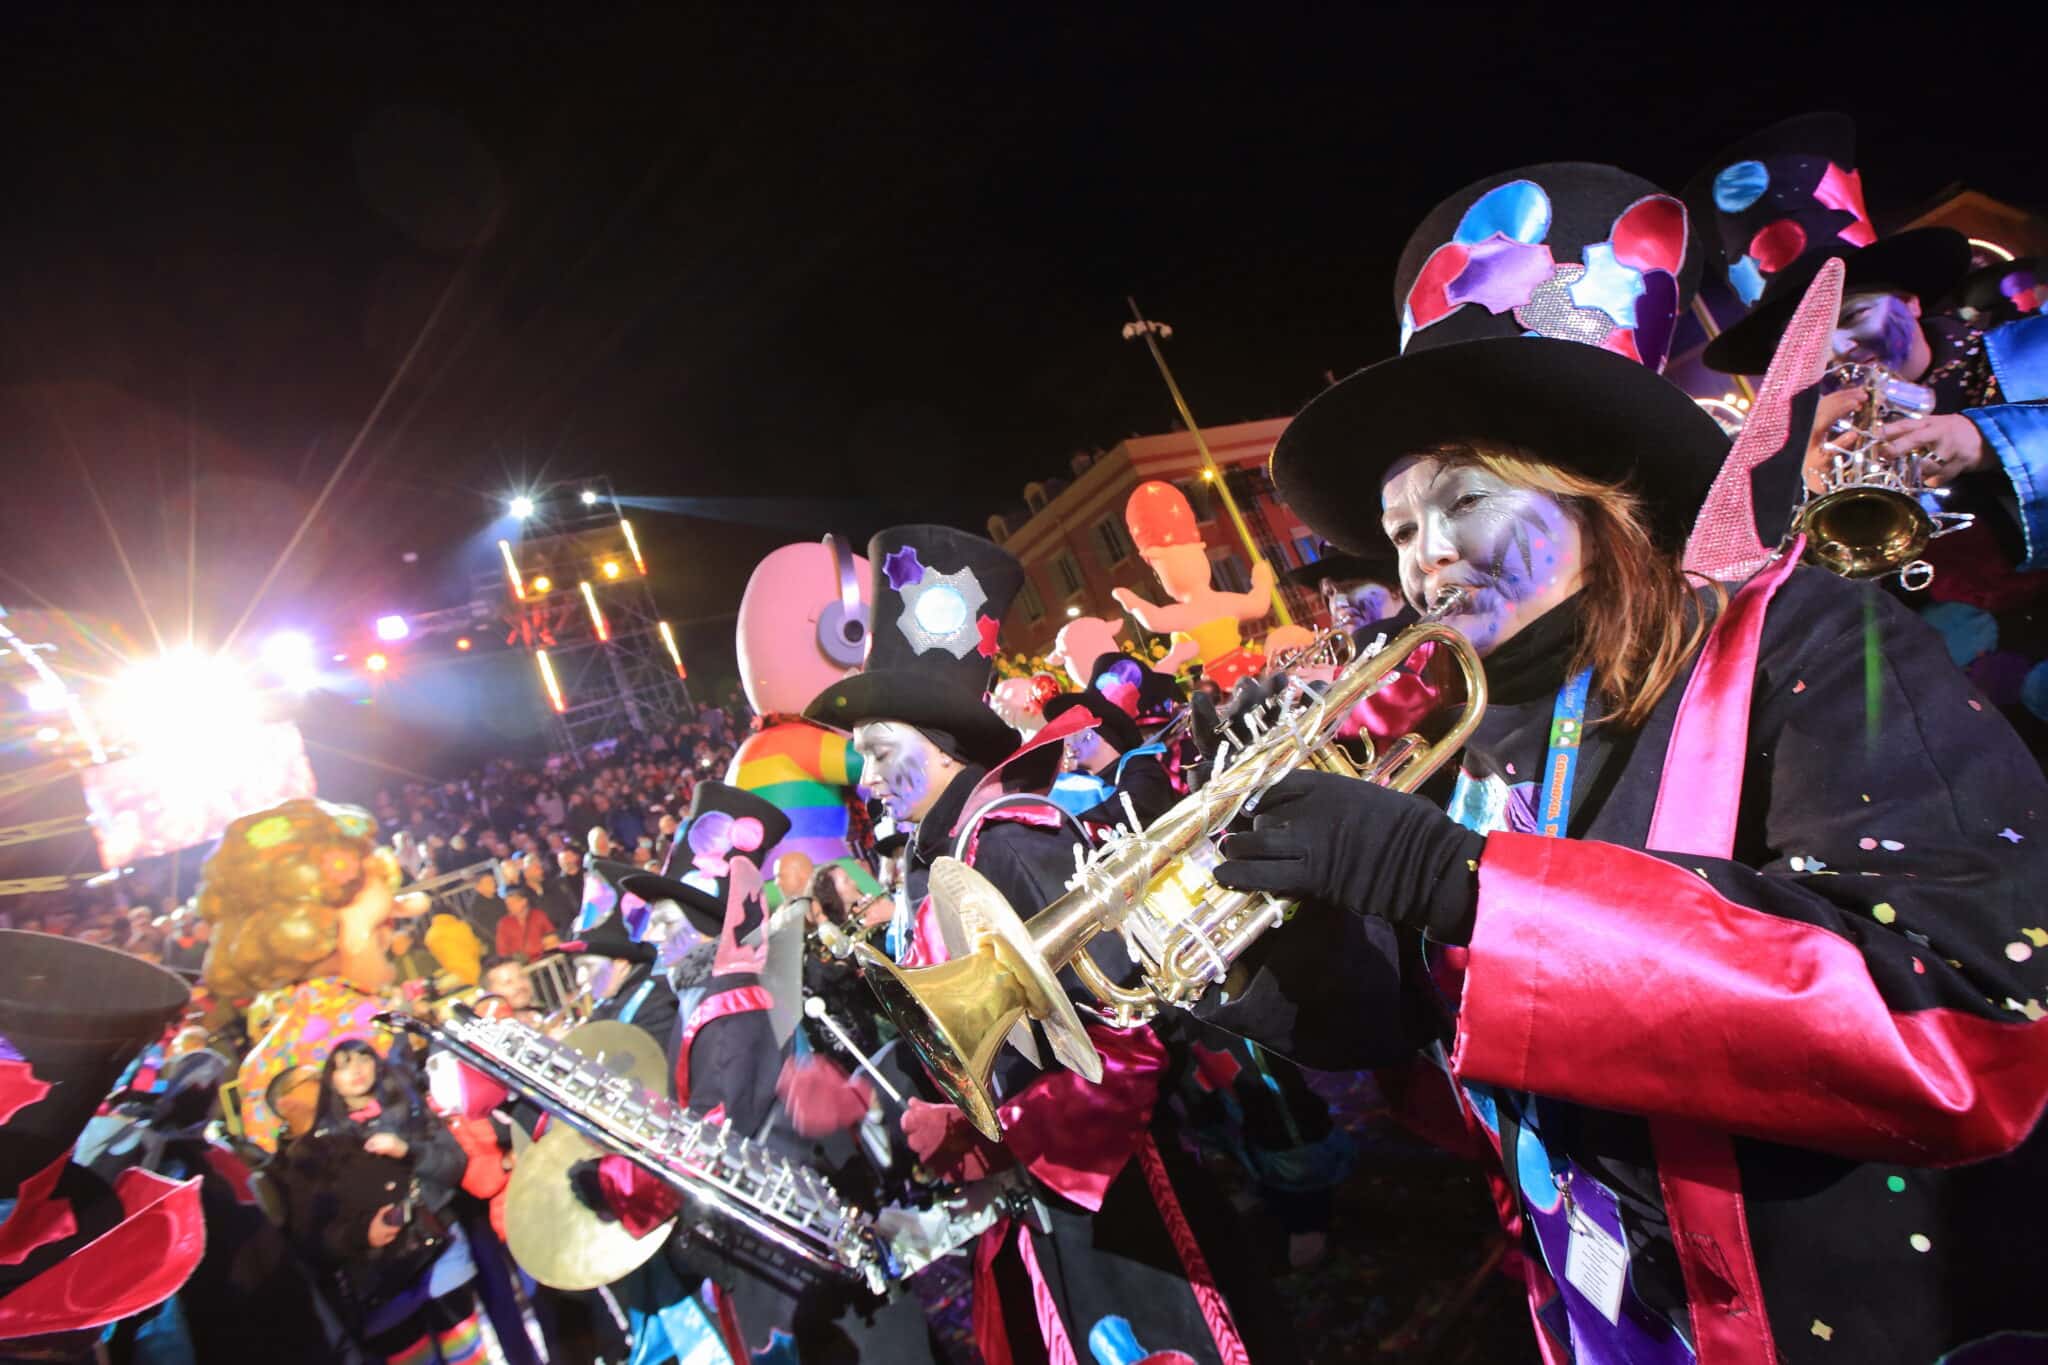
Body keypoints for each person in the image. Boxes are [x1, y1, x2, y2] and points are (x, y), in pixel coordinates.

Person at [1222, 160, 2048, 1363]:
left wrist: (1473, 891)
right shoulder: (1465, 731)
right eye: (1399, 533)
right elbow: (1416, 1025)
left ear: (1590, 500)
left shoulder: (1803, 638)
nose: (1423, 562)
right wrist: (1270, 958)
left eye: (1461, 503)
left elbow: (1973, 1021)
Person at [805, 524, 1294, 1365]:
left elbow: (1130, 1037)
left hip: (1119, 1194)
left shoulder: (1009, 843)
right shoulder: (947, 857)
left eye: (882, 752)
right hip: (1057, 1191)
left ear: (946, 744)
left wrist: (990, 1123)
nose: (870, 779)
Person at [1690, 113, 2048, 752]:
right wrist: (1794, 491)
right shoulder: (1811, 432)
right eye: (1806, 344)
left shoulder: (2032, 348)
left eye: (1852, 314)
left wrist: (1984, 440)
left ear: (1910, 301)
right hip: (1952, 721)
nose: (1835, 351)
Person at [298, 1040, 483, 1365]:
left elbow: (454, 1163)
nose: (355, 1071)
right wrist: (362, 1234)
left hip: (439, 1247)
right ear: (330, 1079)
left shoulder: (410, 1109)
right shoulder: (319, 1147)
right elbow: (316, 1232)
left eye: (362, 1058)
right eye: (342, 1065)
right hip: (380, 1274)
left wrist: (409, 1151)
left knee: (467, 1356)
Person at [493, 886, 553, 960]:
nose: (509, 907)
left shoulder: (539, 915)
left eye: (512, 903)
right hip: (520, 966)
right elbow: (502, 951)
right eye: (507, 904)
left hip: (543, 961)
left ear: (524, 901)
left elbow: (552, 938)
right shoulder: (504, 924)